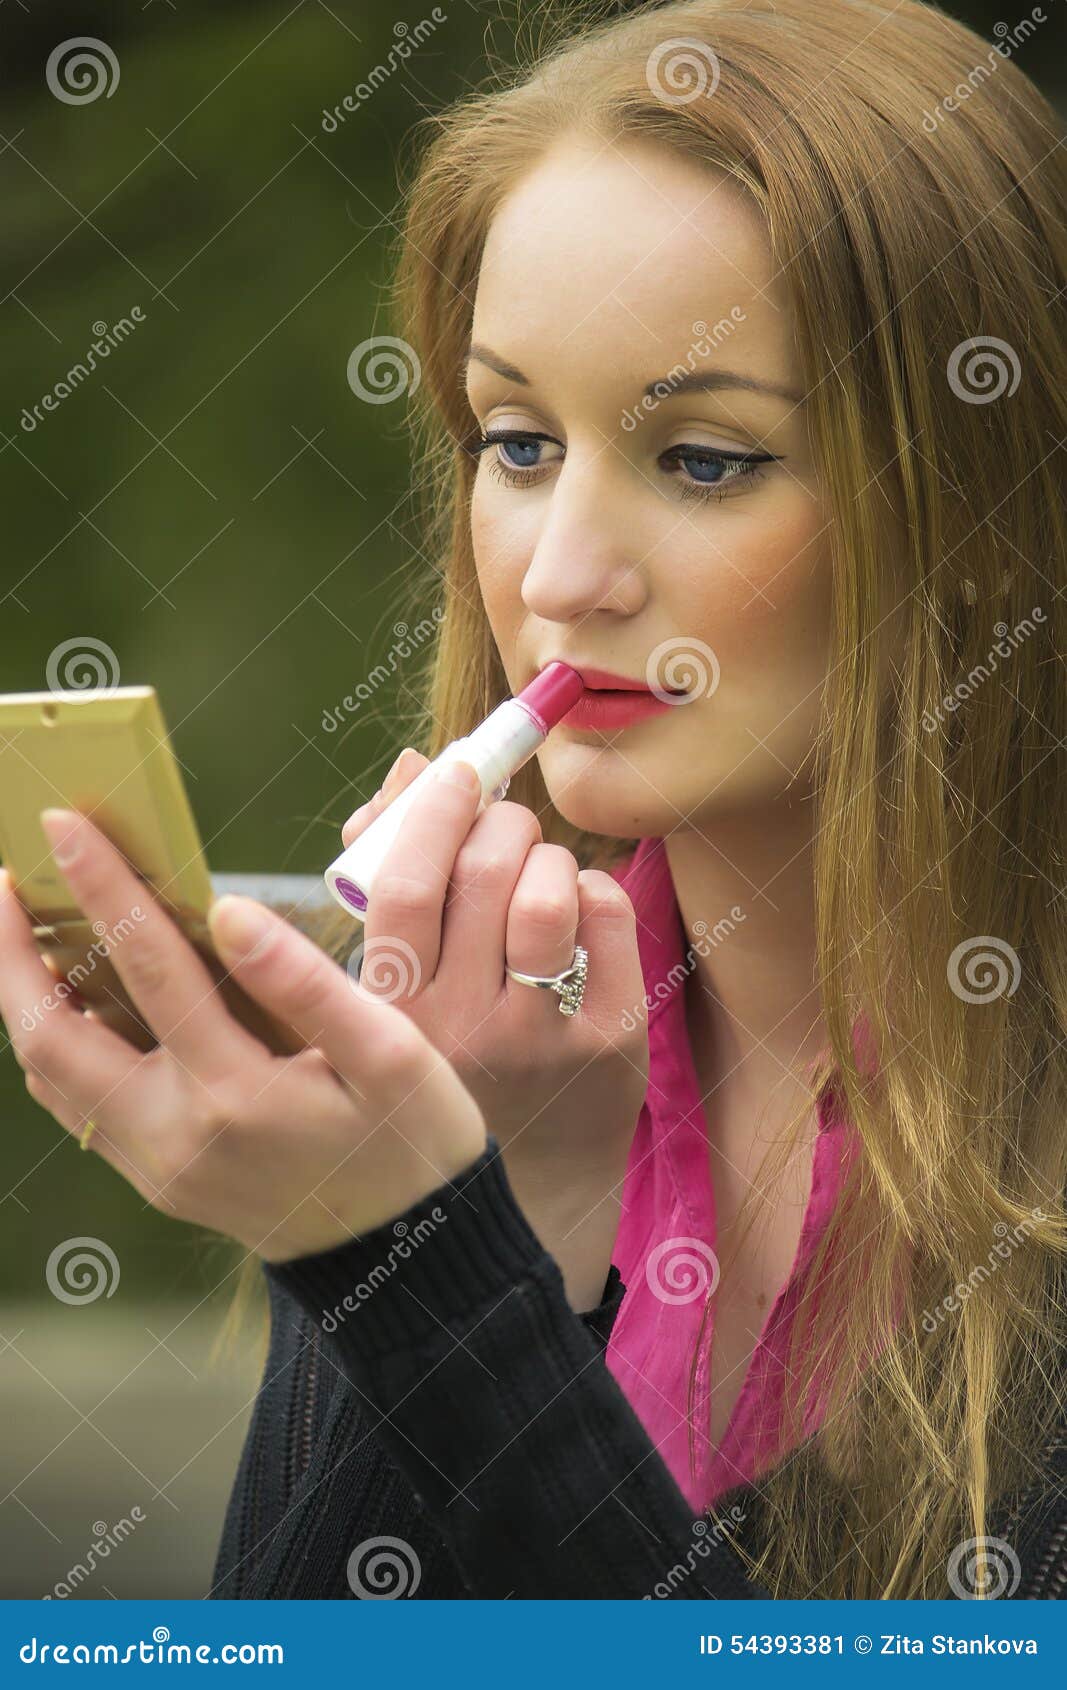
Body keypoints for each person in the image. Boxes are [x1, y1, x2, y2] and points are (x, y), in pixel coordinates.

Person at [2, 0, 1065, 1600]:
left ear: (984, 514)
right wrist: (488, 1209)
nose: (561, 575)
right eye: (515, 440)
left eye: (706, 458)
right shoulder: (474, 1055)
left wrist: (422, 1266)